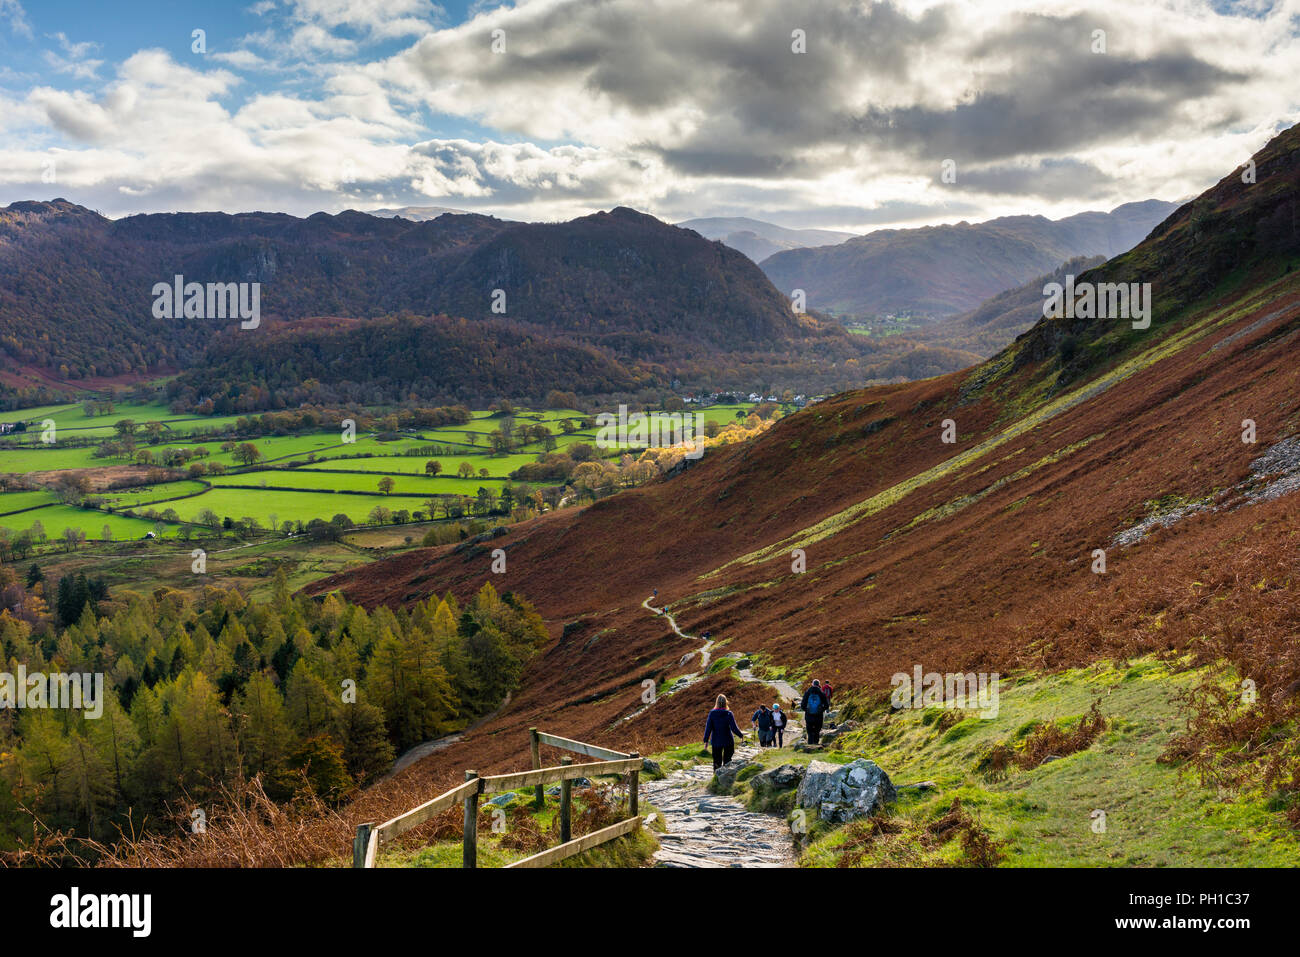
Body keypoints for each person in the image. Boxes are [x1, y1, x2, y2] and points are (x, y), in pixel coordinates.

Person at [704, 693, 745, 769]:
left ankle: (716, 778)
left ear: (717, 702)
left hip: (716, 741)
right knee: (727, 761)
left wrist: (706, 740)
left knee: (716, 761)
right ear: (726, 702)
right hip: (728, 740)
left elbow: (708, 728)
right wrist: (741, 735)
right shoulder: (729, 714)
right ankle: (726, 777)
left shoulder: (712, 713)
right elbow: (734, 727)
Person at [800, 679, 829, 745]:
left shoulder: (807, 692)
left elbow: (802, 705)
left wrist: (807, 711)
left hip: (809, 716)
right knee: (817, 731)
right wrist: (821, 710)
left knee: (810, 731)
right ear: (819, 684)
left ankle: (810, 744)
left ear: (812, 684)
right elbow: (826, 705)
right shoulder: (821, 693)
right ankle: (816, 743)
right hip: (818, 716)